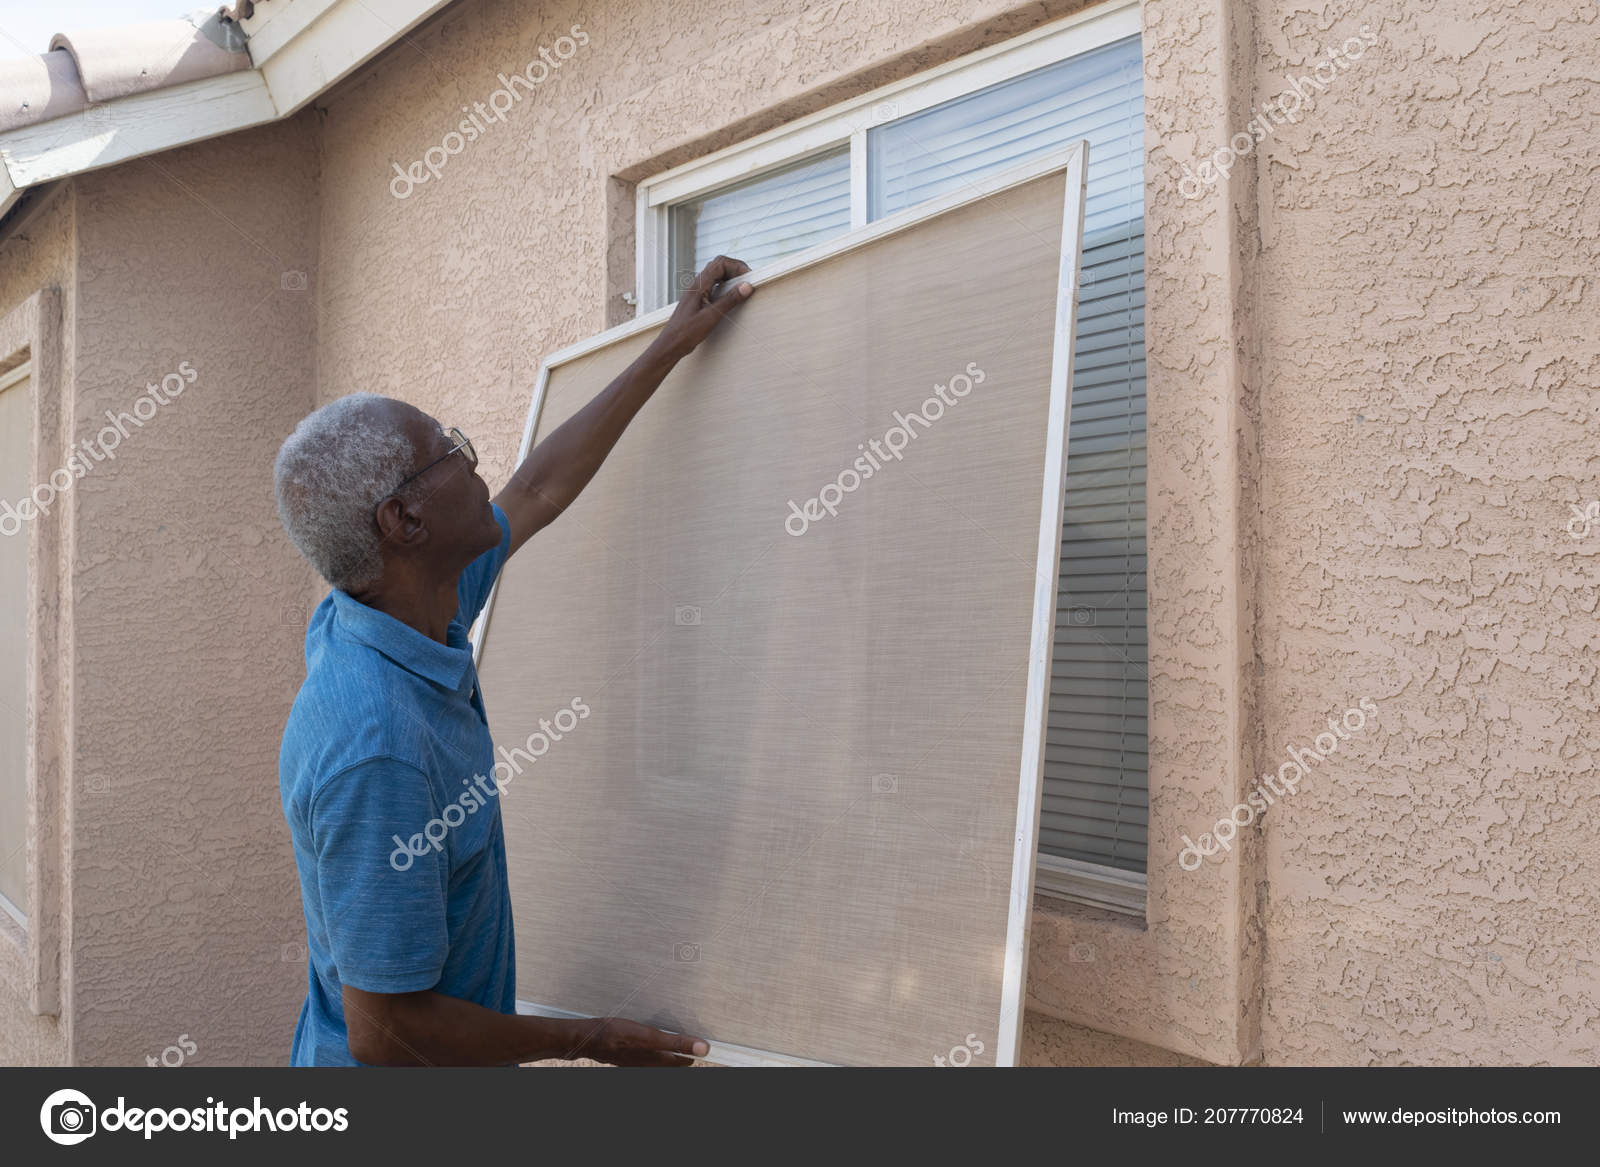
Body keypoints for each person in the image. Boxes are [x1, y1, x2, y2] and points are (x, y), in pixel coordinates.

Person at [272, 257, 753, 1066]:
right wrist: (588, 1038)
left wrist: (670, 344)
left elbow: (535, 488)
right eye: (448, 451)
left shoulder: (401, 604)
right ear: (404, 520)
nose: (472, 459)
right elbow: (389, 1033)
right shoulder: (377, 745)